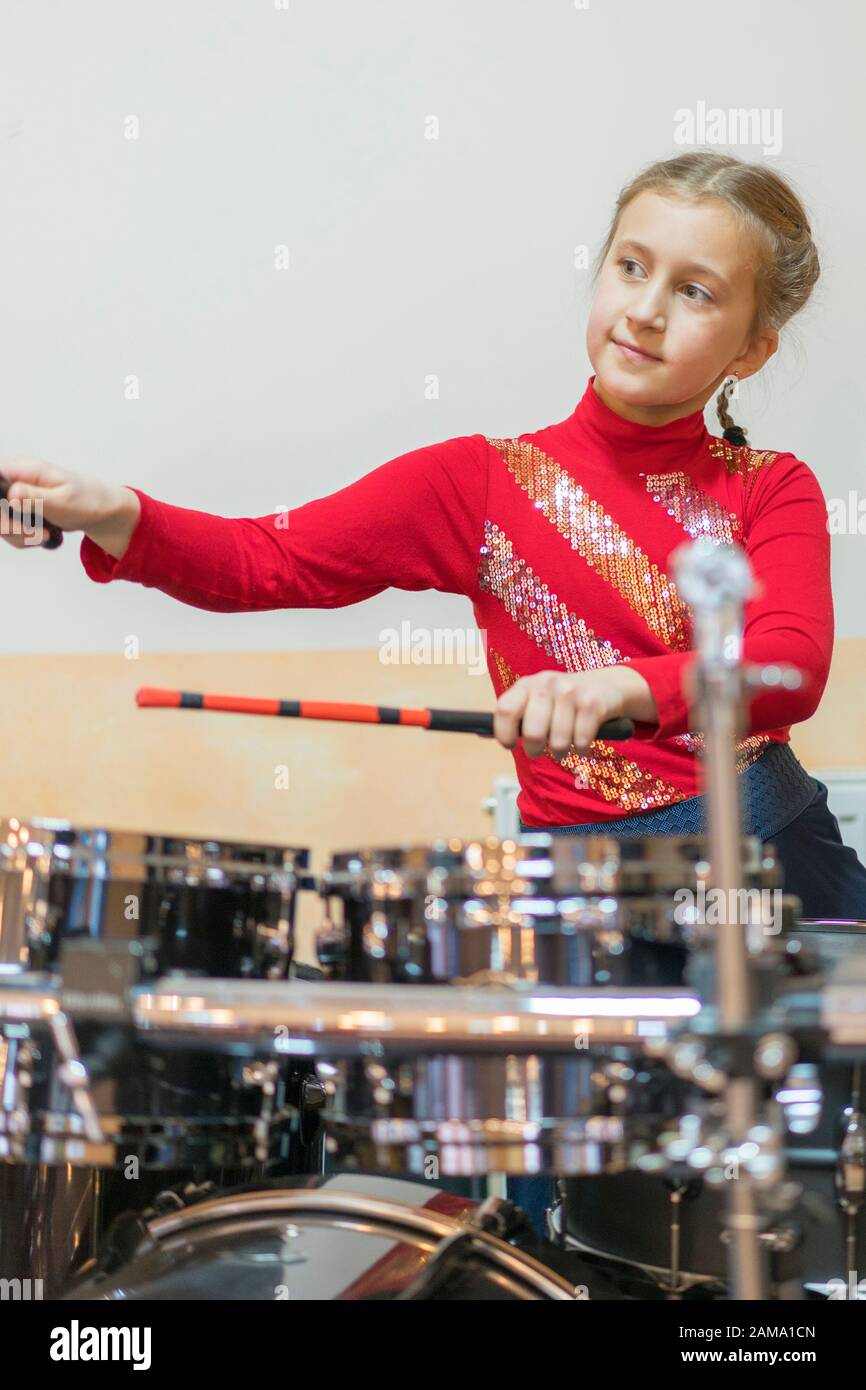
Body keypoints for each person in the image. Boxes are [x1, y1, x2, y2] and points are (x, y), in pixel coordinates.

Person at [4, 151, 865, 919]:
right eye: (630, 267)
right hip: (576, 896)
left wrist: (620, 686)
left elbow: (788, 667)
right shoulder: (478, 481)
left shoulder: (771, 487)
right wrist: (112, 510)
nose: (644, 310)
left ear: (751, 351)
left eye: (694, 291)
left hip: (773, 864)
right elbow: (267, 560)